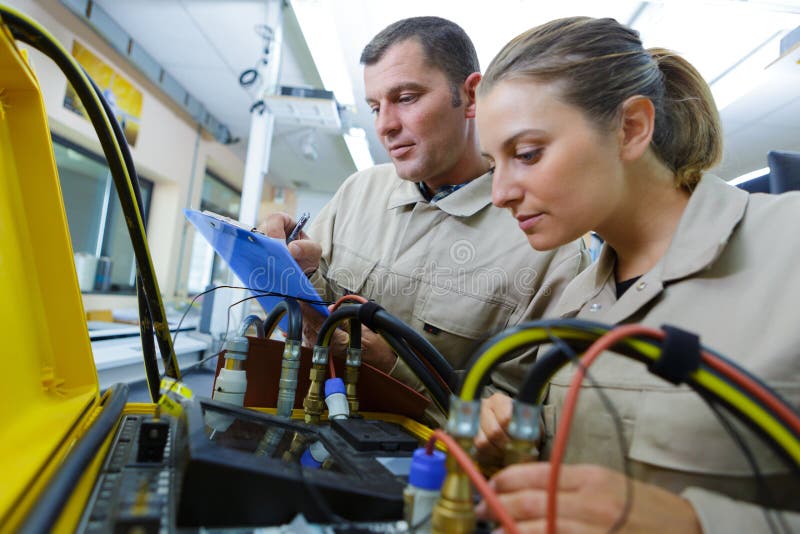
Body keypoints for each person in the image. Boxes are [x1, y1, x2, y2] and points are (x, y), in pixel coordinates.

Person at [474, 16, 800, 532]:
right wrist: (511, 452)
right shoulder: (574, 303)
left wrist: (696, 524)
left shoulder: (790, 248)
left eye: (528, 154)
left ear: (631, 129)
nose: (500, 193)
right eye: (494, 163)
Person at [259, 16, 587, 400]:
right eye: (375, 106)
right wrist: (303, 271)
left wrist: (399, 370)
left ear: (470, 96)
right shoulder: (358, 191)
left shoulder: (547, 246)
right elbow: (312, 318)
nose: (385, 125)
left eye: (406, 98)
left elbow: (521, 419)